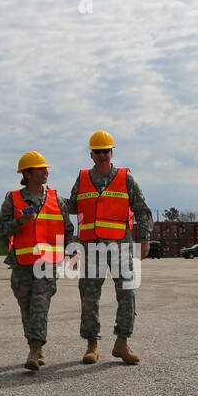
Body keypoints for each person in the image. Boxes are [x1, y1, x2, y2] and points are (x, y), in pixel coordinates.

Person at [66, 130, 152, 364]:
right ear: (91, 155)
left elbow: (142, 210)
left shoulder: (125, 178)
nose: (102, 154)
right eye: (98, 151)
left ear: (112, 152)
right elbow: (72, 206)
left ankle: (122, 342)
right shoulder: (82, 178)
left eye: (106, 151)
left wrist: (144, 239)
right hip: (90, 247)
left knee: (127, 294)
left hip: (121, 247)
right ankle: (92, 345)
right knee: (89, 297)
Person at [0, 151, 71, 371]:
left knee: (40, 305)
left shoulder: (56, 199)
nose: (46, 172)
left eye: (46, 168)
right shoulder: (13, 199)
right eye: (40, 169)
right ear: (27, 174)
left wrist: (72, 252)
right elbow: (2, 230)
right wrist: (19, 221)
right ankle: (35, 346)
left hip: (48, 263)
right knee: (27, 307)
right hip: (22, 262)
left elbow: (67, 229)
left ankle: (35, 349)